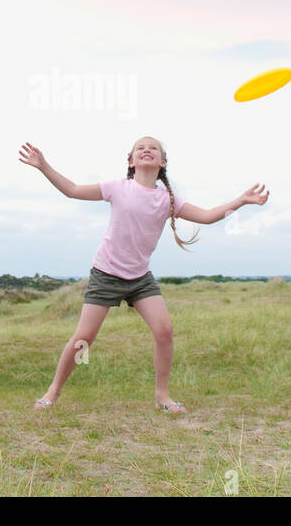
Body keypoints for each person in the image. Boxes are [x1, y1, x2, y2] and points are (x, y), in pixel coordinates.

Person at [20, 136, 269, 413]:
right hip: (106, 273)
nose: (147, 150)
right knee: (84, 338)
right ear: (130, 160)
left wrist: (243, 201)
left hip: (140, 278)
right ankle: (53, 391)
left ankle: (162, 396)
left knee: (165, 331)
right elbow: (73, 190)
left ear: (162, 162)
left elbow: (208, 216)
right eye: (141, 147)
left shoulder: (166, 200)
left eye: (153, 148)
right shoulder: (117, 188)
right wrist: (44, 166)